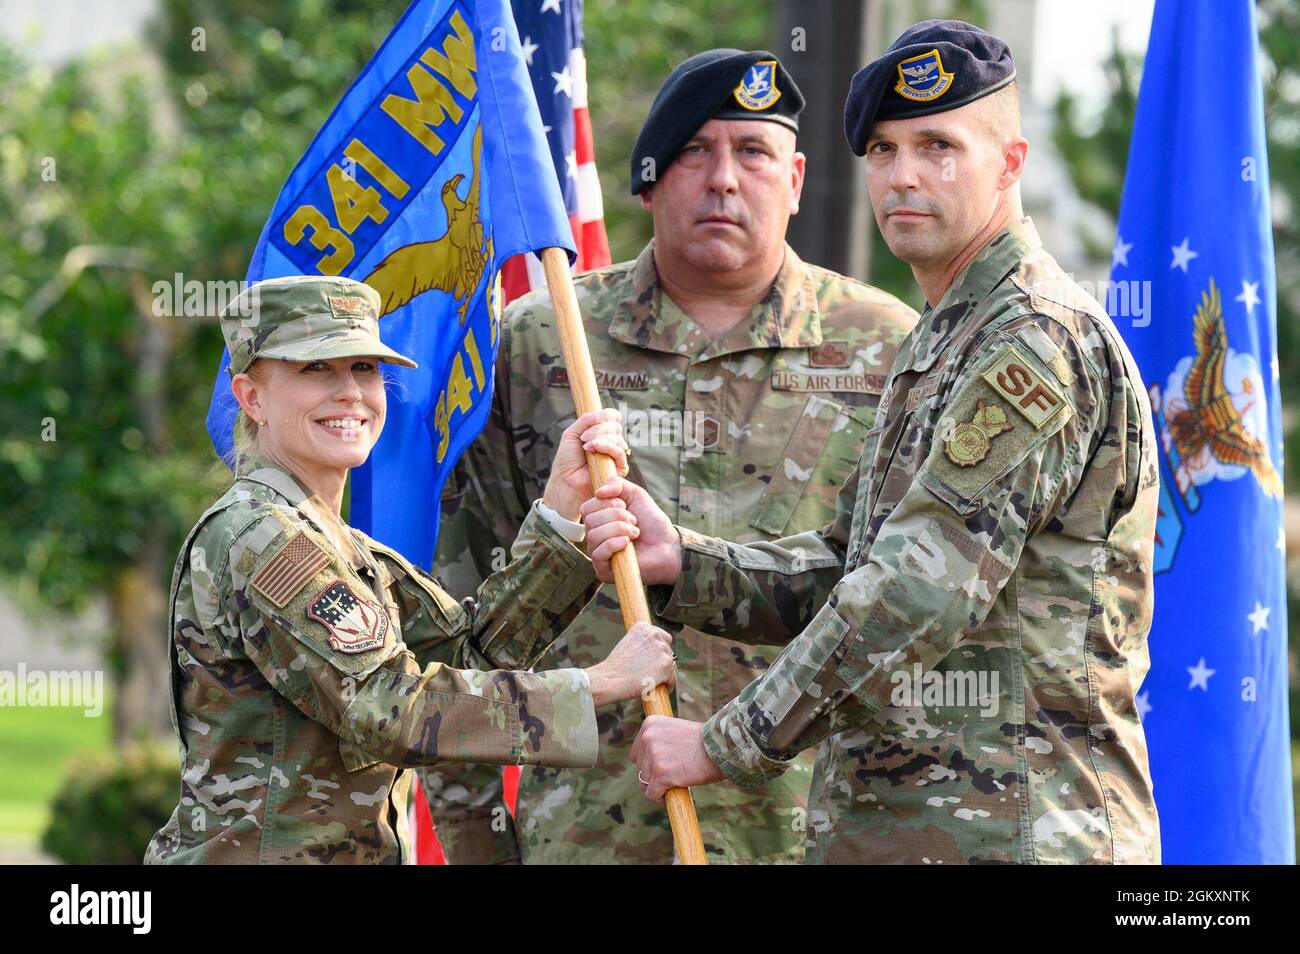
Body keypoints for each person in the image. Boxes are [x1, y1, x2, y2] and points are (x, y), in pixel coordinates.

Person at [586, 20, 1161, 864]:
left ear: (1010, 162)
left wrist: (728, 742)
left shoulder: (1031, 339)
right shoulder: (945, 340)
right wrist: (692, 563)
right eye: (884, 151)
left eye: (939, 146)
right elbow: (850, 568)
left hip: (1021, 835)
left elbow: (917, 593)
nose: (905, 177)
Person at [421, 49, 918, 864]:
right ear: (648, 183)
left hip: (815, 832)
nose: (724, 178)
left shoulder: (888, 346)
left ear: (795, 182)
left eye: (753, 153)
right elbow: (463, 613)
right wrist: (479, 843)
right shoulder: (546, 341)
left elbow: (906, 605)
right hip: (588, 834)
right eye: (695, 151)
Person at [144, 275, 676, 865]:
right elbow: (395, 711)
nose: (350, 393)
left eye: (365, 369)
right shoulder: (265, 536)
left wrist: (560, 515)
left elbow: (466, 657)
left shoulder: (335, 542)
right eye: (315, 370)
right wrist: (600, 683)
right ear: (252, 397)